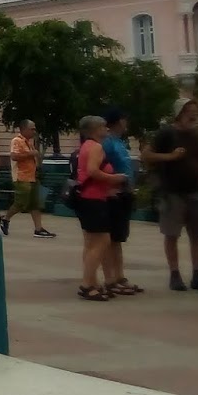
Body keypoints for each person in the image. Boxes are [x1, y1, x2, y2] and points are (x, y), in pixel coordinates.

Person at [141, 97, 198, 292]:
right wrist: (170, 157)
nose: (193, 116)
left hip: (196, 192)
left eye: (196, 112)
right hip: (172, 192)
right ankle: (175, 275)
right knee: (172, 233)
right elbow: (146, 155)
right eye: (189, 111)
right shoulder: (166, 133)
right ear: (179, 113)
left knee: (197, 234)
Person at [74, 114, 126, 300]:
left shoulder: (86, 146)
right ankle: (87, 284)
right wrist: (116, 178)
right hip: (95, 199)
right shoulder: (96, 147)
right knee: (102, 241)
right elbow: (93, 171)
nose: (106, 129)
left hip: (86, 199)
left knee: (90, 243)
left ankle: (92, 281)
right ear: (94, 129)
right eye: (103, 126)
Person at [101, 109, 142, 295]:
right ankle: (110, 278)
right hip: (114, 194)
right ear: (118, 121)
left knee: (118, 238)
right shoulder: (108, 142)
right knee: (110, 239)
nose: (127, 123)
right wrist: (110, 185)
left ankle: (119, 276)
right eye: (125, 119)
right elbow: (101, 165)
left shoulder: (120, 141)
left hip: (125, 192)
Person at [0, 119, 55, 238]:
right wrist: (31, 154)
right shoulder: (17, 141)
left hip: (32, 177)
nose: (34, 131)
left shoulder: (29, 143)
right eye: (32, 129)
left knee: (35, 204)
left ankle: (38, 228)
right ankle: (5, 218)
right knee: (20, 202)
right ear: (23, 129)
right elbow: (14, 156)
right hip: (21, 176)